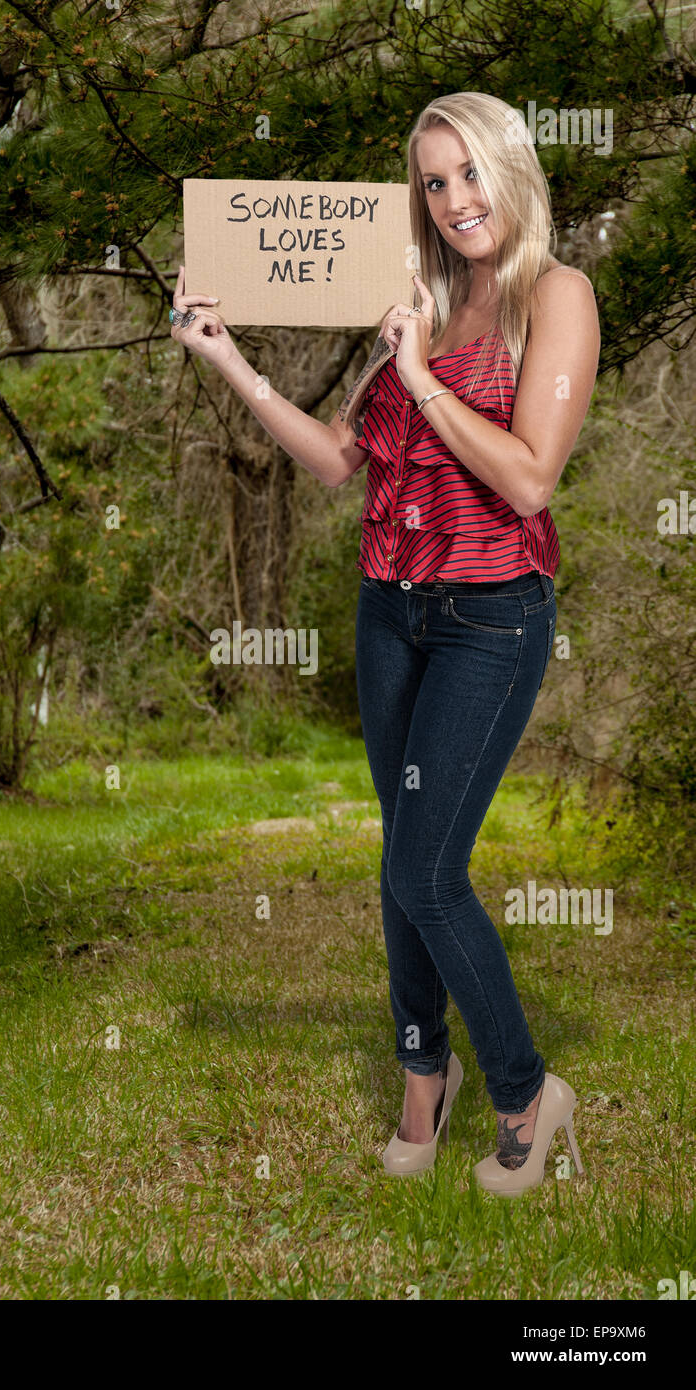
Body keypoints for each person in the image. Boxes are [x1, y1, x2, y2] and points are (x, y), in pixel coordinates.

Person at [169, 91, 600, 1196]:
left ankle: (521, 1089)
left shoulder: (554, 295)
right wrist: (228, 359)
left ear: (509, 168)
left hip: (489, 613)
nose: (452, 200)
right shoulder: (419, 296)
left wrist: (417, 379)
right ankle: (423, 1074)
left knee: (425, 865)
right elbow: (334, 459)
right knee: (397, 859)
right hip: (387, 610)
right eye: (431, 180)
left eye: (467, 173)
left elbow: (530, 474)